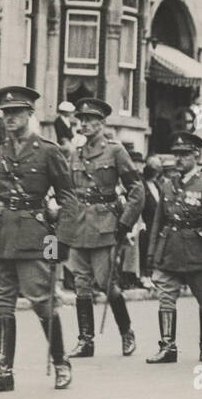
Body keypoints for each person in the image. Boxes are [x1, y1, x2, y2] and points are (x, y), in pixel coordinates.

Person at [0, 85, 76, 392]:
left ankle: (61, 363)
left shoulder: (48, 151)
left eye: (16, 113)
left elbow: (68, 199)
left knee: (42, 301)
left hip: (36, 237)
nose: (9, 119)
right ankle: (2, 371)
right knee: (1, 304)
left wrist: (62, 244)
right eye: (5, 113)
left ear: (30, 114)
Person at [58, 97, 144, 358]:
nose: (84, 124)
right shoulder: (75, 153)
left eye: (89, 120)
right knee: (81, 284)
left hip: (105, 225)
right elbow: (70, 192)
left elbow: (137, 190)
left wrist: (125, 222)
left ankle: (126, 332)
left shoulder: (115, 151)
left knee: (106, 283)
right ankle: (86, 340)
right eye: (80, 120)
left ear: (101, 123)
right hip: (78, 226)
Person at [145, 132, 202, 363]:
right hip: (171, 248)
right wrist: (152, 252)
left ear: (196, 155)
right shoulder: (167, 185)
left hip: (198, 250)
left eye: (184, 154)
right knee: (166, 296)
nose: (179, 159)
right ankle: (168, 346)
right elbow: (158, 221)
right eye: (176, 155)